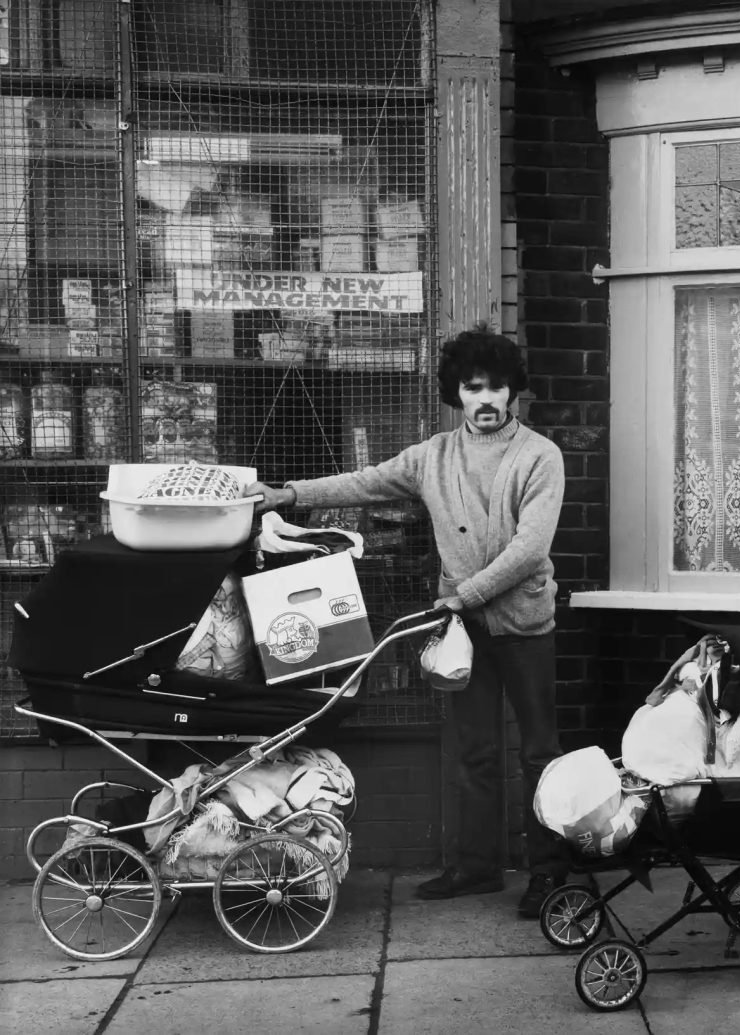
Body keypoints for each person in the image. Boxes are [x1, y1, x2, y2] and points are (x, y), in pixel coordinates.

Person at [246, 324, 570, 919]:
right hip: (462, 633)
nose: (487, 398)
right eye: (475, 387)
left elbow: (528, 550)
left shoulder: (540, 457)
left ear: (513, 391)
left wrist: (463, 595)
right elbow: (365, 483)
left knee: (538, 754)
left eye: (498, 387)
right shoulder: (434, 455)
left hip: (525, 628)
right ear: (458, 393)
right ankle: (476, 869)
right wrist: (287, 495)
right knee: (473, 750)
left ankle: (549, 873)